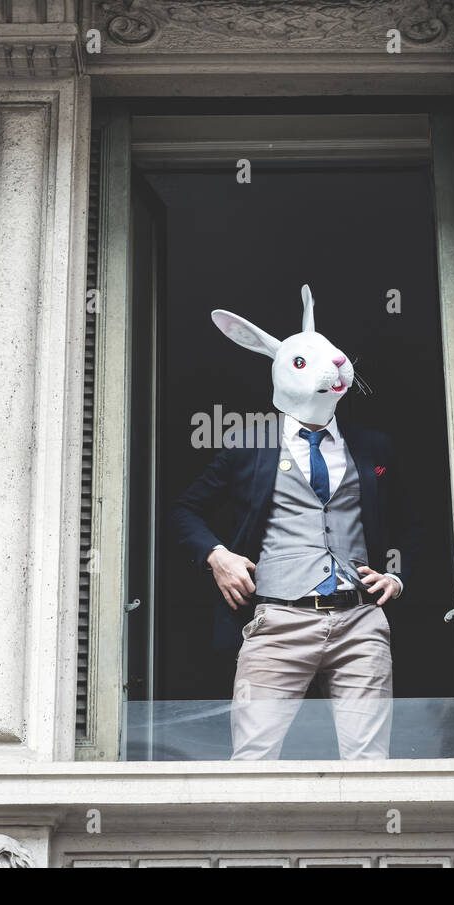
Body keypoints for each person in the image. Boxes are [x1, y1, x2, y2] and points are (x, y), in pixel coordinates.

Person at [170, 284, 418, 759]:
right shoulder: (249, 445)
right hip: (278, 620)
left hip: (360, 621)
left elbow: (416, 523)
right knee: (253, 762)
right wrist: (216, 555)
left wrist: (399, 577)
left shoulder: (374, 448)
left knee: (370, 766)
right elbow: (185, 508)